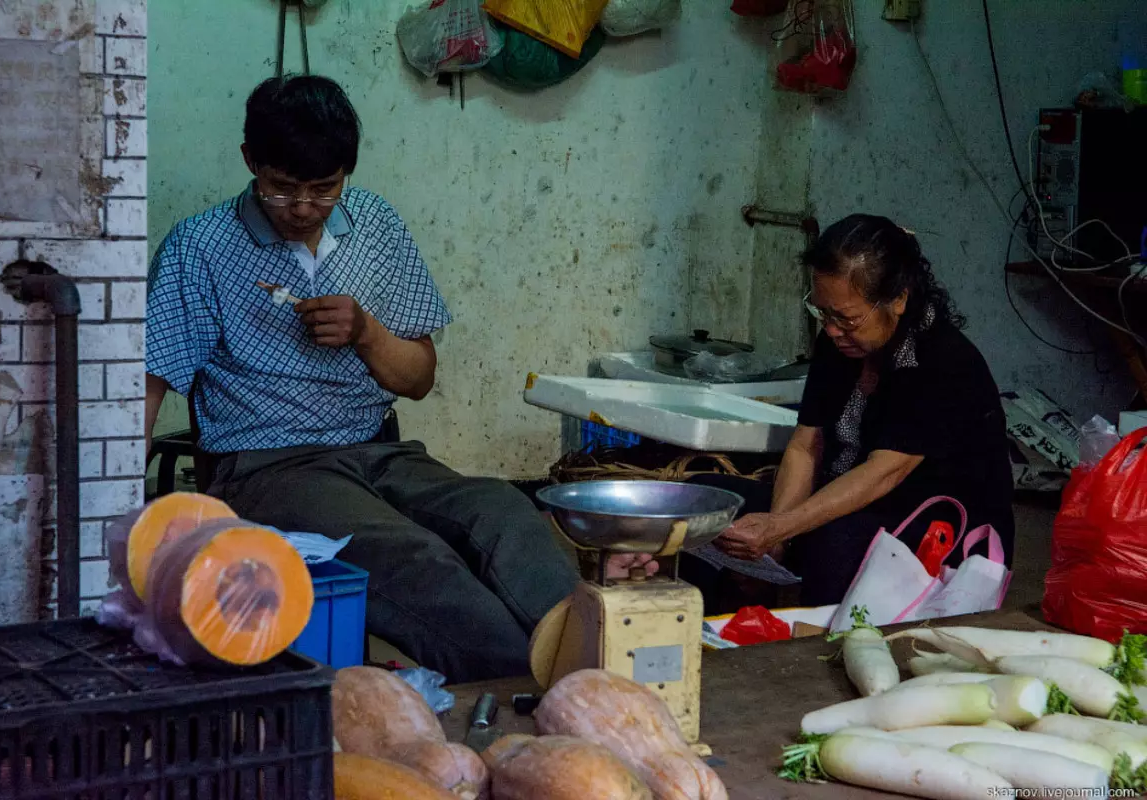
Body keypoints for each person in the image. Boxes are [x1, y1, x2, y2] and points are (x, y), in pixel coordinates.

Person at [143, 74, 651, 683]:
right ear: (251, 162)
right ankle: (532, 689)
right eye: (282, 189)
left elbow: (418, 380)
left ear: (346, 174)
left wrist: (367, 333)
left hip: (381, 450)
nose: (302, 208)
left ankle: (598, 668)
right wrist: (116, 524)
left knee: (501, 511)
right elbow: (147, 389)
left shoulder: (376, 227)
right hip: (268, 466)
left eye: (323, 189)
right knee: (416, 557)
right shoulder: (198, 248)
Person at [695, 214, 1014, 607]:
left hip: (940, 523)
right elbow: (804, 445)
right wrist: (775, 538)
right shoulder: (839, 344)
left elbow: (884, 473)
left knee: (834, 542)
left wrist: (781, 528)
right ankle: (718, 634)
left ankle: (808, 652)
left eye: (846, 318)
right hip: (856, 494)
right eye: (822, 313)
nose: (831, 330)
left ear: (899, 299)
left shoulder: (942, 361)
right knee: (711, 507)